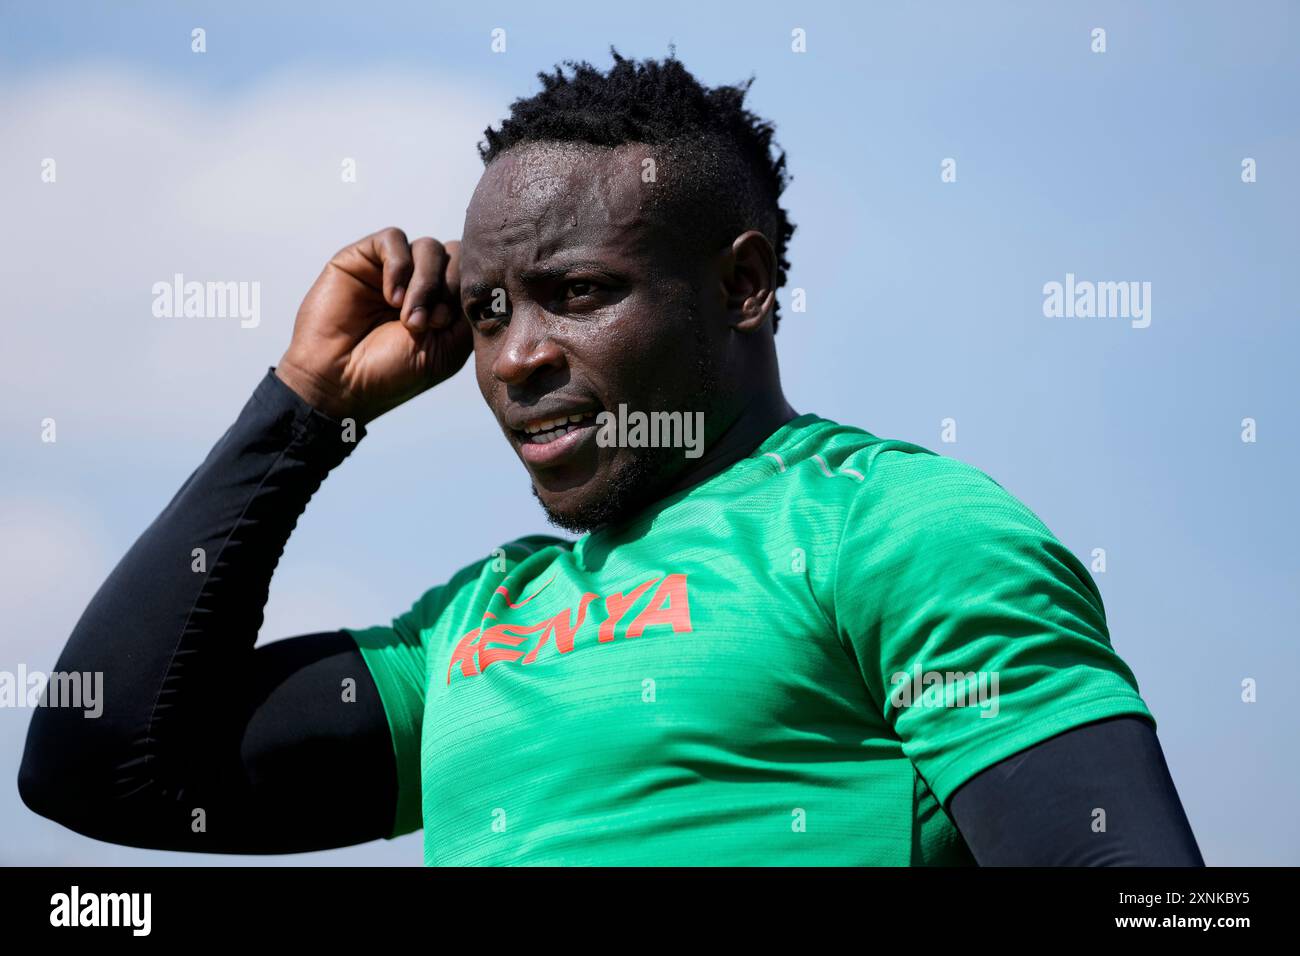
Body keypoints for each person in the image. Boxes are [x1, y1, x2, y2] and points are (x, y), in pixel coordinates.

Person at [19, 52, 1203, 866]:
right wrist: (306, 407)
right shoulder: (471, 627)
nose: (516, 356)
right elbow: (100, 762)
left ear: (742, 286)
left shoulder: (893, 528)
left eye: (577, 294)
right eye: (484, 313)